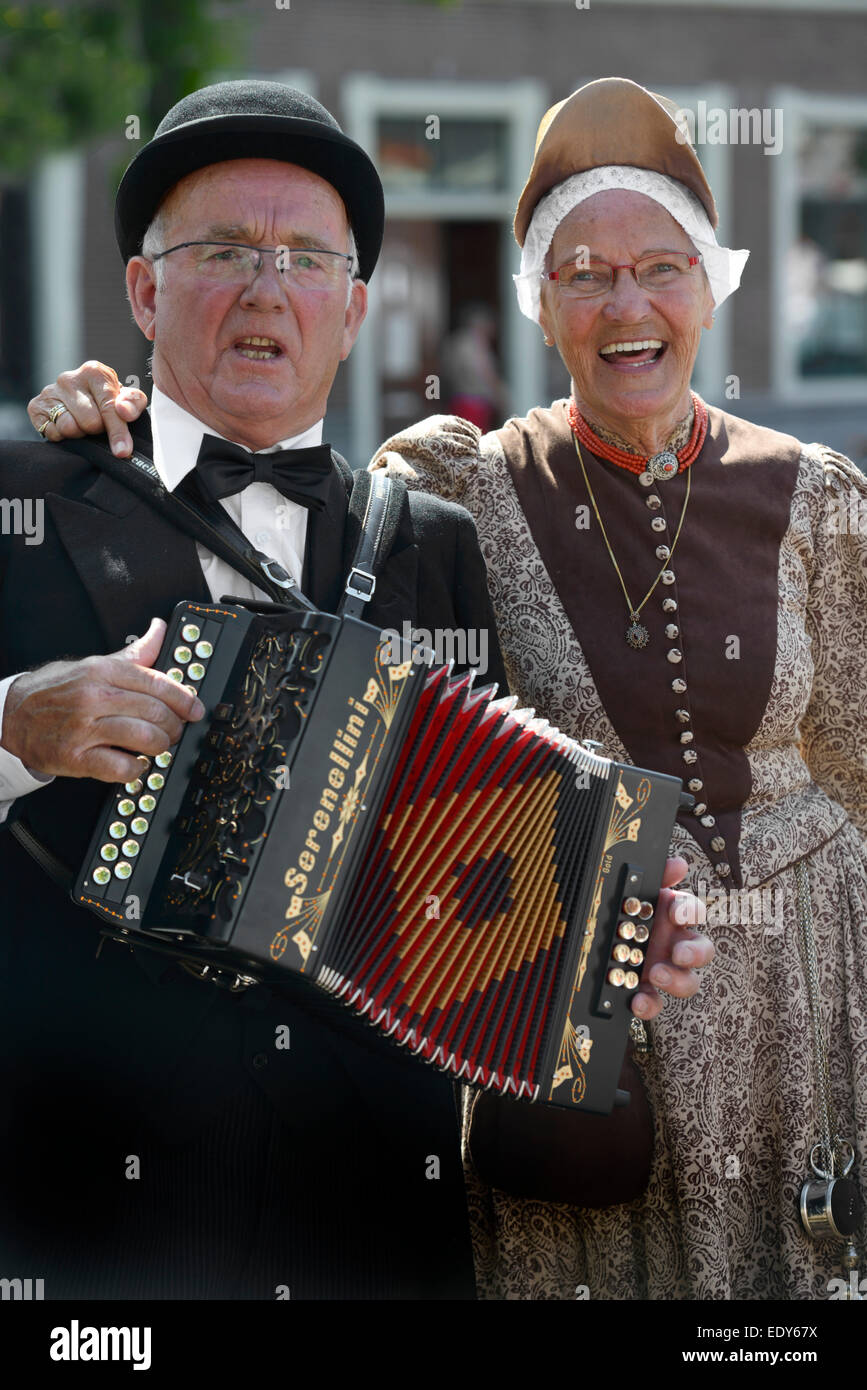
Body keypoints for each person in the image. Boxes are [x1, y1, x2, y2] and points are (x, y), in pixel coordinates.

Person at [6, 79, 710, 1301]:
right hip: (85, 1229)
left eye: (305, 259)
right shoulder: (25, 496)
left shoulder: (431, 540)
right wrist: (12, 722)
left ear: (354, 309)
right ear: (143, 291)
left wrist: (600, 949)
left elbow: (466, 860)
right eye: (222, 251)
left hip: (377, 1216)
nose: (266, 287)